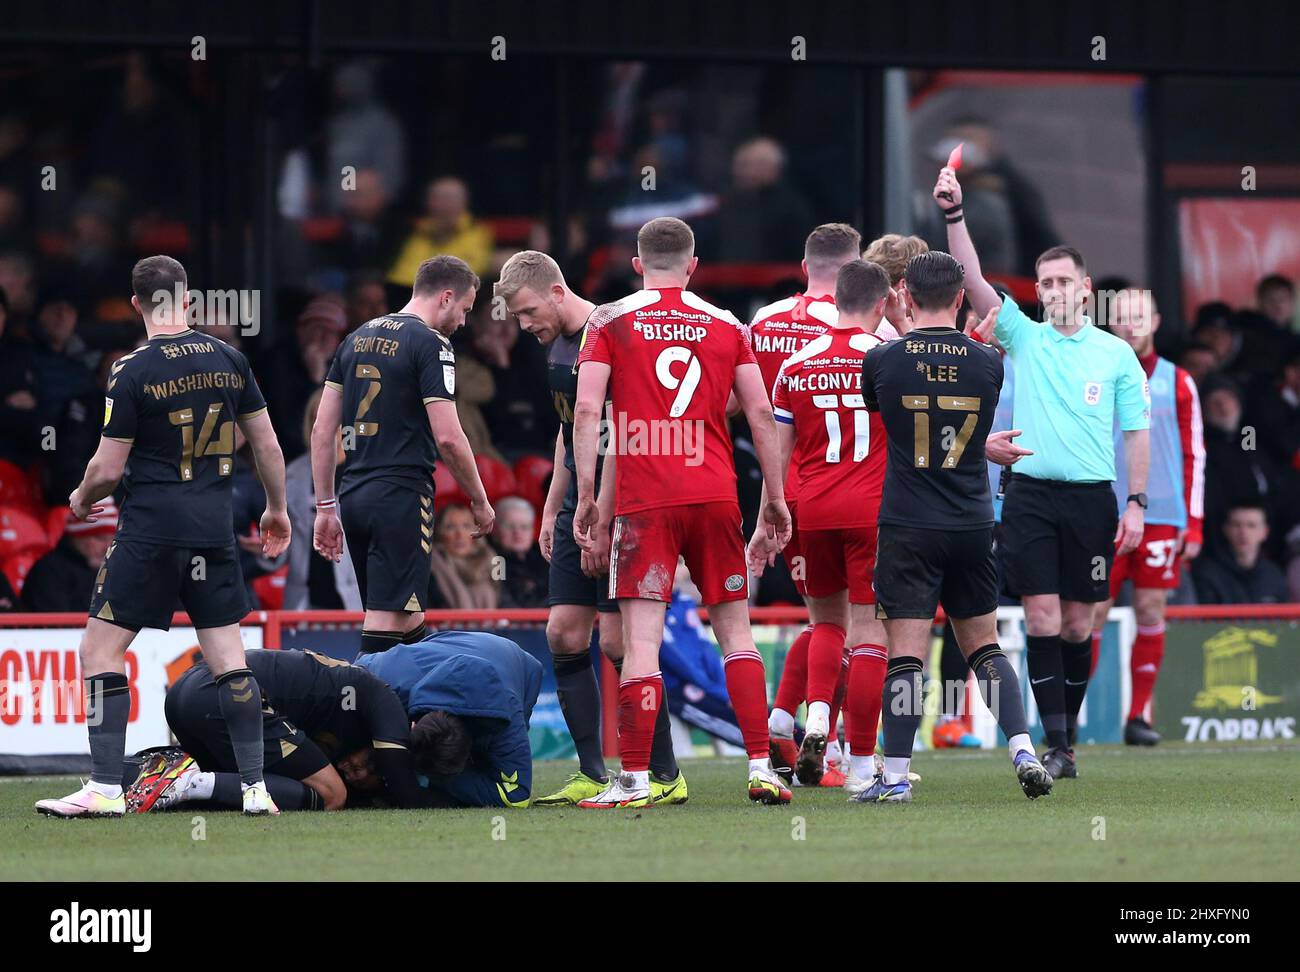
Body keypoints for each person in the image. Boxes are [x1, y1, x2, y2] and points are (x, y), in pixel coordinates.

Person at [35, 255, 291, 818]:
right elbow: (268, 445)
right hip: (214, 532)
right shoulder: (230, 359)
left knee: (99, 650)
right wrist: (277, 509)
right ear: (189, 302)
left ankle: (104, 789)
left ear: (135, 305)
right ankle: (255, 789)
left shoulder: (131, 370)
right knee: (229, 659)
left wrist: (79, 499)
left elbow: (106, 469)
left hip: (150, 530)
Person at [937, 162, 1151, 781]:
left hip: (1091, 502)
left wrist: (1136, 500)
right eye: (1045, 282)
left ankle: (1067, 737)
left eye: (1064, 280)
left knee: (1081, 622)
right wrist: (955, 212)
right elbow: (971, 277)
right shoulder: (1023, 337)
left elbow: (1136, 431)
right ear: (1037, 291)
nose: (1055, 290)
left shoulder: (1114, 355)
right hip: (1028, 495)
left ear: (1085, 289)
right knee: (1042, 619)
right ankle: (1055, 745)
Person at [573, 216, 793, 807]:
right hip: (715, 492)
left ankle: (639, 780)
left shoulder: (609, 320)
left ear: (637, 264)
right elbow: (763, 415)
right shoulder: (727, 323)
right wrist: (774, 498)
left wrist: (589, 496)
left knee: (641, 644)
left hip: (647, 498)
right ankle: (761, 767)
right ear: (693, 266)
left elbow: (589, 412)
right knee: (736, 635)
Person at [859, 251, 1051, 803]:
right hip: (971, 522)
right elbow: (958, 430)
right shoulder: (989, 362)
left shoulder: (883, 362)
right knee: (984, 647)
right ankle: (1022, 748)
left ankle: (895, 777)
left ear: (906, 297)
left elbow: (897, 416)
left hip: (908, 524)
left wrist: (899, 326)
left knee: (907, 656)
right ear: (962, 298)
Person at [495, 249, 685, 806]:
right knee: (563, 633)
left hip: (620, 505)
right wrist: (555, 505)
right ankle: (591, 771)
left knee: (622, 642)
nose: (525, 324)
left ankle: (665, 772)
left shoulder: (615, 335)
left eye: (529, 311)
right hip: (578, 506)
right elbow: (566, 430)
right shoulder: (554, 345)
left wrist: (601, 513)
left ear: (557, 290)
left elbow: (624, 434)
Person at [753, 259, 893, 792]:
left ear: (834, 300)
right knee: (869, 636)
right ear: (881, 305)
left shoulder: (796, 363)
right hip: (872, 512)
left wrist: (771, 514)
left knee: (826, 626)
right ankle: (860, 768)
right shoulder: (885, 360)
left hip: (810, 509)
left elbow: (778, 450)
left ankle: (813, 724)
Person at [311, 255, 495, 654]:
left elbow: (323, 430)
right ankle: (357, 710)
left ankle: (410, 714)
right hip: (400, 496)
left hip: (355, 496)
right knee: (383, 629)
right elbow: (448, 437)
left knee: (409, 623)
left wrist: (326, 507)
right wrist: (479, 500)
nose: (463, 322)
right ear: (446, 297)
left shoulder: (356, 338)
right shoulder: (432, 344)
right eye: (464, 309)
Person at [745, 222, 861, 786]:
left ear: (804, 263)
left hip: (781, 492)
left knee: (820, 623)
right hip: (846, 486)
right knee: (848, 627)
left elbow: (748, 410)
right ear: (854, 272)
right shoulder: (855, 330)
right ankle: (836, 748)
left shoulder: (762, 322)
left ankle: (779, 723)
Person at [1090, 289, 1206, 747]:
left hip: (1161, 515)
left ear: (1156, 320)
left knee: (1150, 609)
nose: (1131, 325)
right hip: (1103, 513)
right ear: (1110, 323)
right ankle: (1072, 721)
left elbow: (1194, 452)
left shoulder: (1178, 381)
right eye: (1122, 317)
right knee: (1091, 612)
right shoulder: (1094, 374)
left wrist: (1193, 523)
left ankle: (1138, 716)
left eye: (1139, 317)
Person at [130, 647, 428, 813]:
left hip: (188, 691)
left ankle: (126, 779)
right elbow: (404, 785)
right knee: (331, 794)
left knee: (252, 787)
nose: (358, 770)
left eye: (367, 778)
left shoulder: (344, 713)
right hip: (223, 694)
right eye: (372, 763)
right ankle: (190, 782)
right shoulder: (381, 698)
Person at [356, 629, 543, 808]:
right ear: (413, 725)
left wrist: (435, 779)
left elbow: (515, 797)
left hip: (518, 664)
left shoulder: (506, 724)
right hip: (449, 647)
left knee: (489, 773)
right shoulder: (388, 677)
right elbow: (345, 677)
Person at [283, 389, 361, 610]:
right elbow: (286, 542)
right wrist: (269, 548)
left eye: (334, 420)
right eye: (318, 420)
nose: (327, 428)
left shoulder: (365, 470)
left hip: (355, 597)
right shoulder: (293, 474)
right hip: (305, 598)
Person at [387, 177, 494, 284]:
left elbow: (469, 271)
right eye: (438, 198)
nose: (444, 204)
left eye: (450, 198)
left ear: (464, 202)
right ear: (427, 202)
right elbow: (402, 273)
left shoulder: (477, 233)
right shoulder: (413, 231)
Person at [21, 503, 118, 612]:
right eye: (100, 538)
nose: (108, 547)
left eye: (113, 540)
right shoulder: (49, 572)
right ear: (77, 536)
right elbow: (55, 624)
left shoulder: (117, 572)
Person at [1193, 502, 1290, 604]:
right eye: (1236, 525)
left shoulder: (1274, 575)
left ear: (1265, 532)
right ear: (1226, 529)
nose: (1243, 532)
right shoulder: (1208, 574)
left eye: (1251, 525)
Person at [427, 502, 500, 610]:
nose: (459, 534)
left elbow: (504, 597)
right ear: (440, 532)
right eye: (450, 527)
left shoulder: (496, 560)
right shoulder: (431, 565)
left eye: (466, 526)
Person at [493, 496, 549, 608]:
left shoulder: (545, 556)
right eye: (509, 526)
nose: (517, 533)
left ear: (533, 530)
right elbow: (502, 600)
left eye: (524, 527)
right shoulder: (495, 560)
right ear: (496, 529)